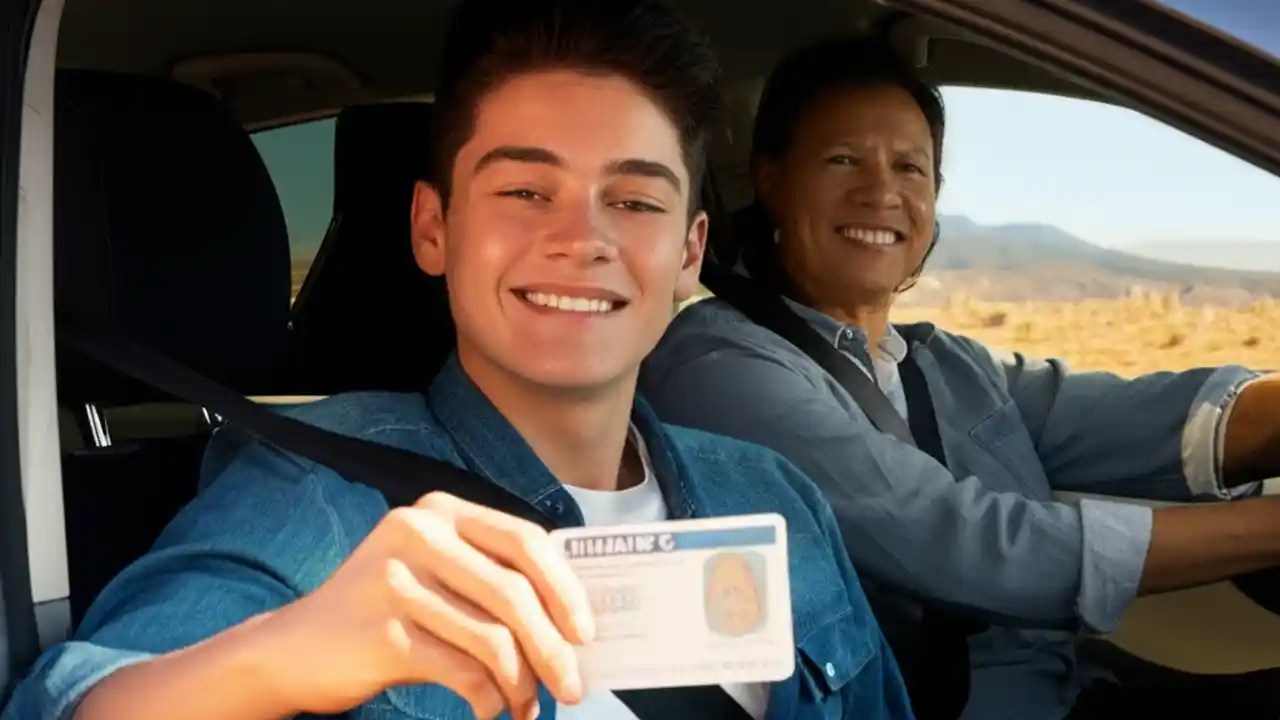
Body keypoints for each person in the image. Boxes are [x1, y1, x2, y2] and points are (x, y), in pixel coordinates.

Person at [1, 5, 915, 720]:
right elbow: (81, 698)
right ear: (434, 228)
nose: (582, 238)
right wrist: (282, 650)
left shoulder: (775, 496)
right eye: (525, 189)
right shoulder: (323, 487)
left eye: (634, 201)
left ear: (688, 252)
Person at [640, 36, 1280, 720]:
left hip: (1069, 690)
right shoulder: (718, 368)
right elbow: (966, 546)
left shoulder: (944, 363)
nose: (881, 191)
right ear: (770, 179)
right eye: (842, 160)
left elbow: (1148, 418)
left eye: (911, 168)